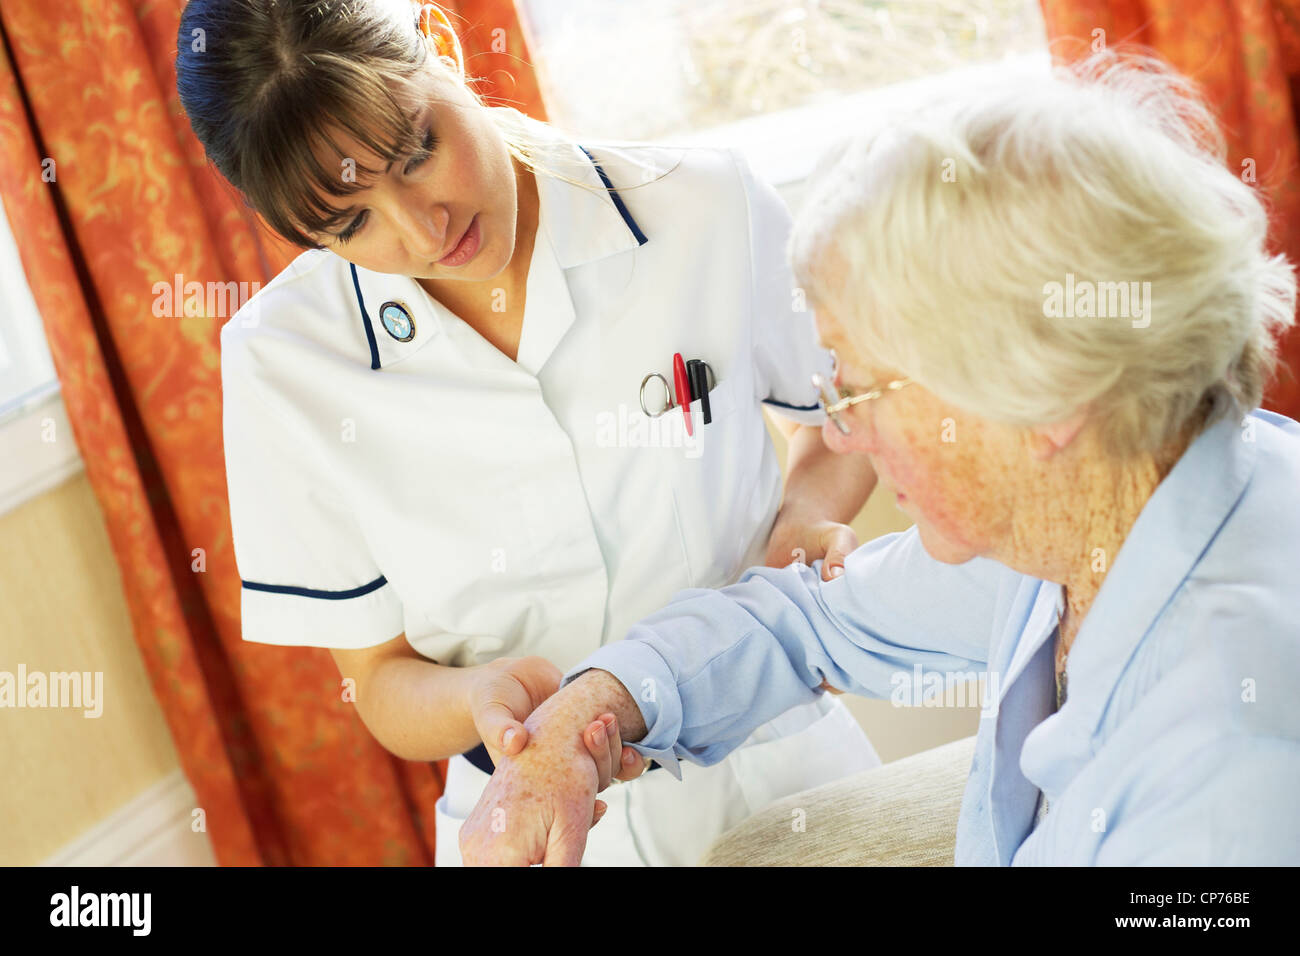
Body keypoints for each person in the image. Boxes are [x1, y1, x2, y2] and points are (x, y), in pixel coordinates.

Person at [457, 51, 1300, 866]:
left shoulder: (1230, 753)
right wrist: (584, 720)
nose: (844, 436)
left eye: (860, 392)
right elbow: (803, 621)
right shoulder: (1088, 515)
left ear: (1041, 397)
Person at [177, 0, 884, 865]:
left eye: (416, 152)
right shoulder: (282, 364)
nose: (424, 230)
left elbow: (841, 420)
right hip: (527, 821)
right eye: (351, 223)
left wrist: (800, 526)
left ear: (440, 44)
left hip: (784, 771)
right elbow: (377, 678)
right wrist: (479, 698)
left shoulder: (701, 204)